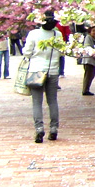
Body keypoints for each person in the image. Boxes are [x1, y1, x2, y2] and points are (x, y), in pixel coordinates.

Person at [23, 10, 62, 143]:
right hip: (52, 71)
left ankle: (39, 128)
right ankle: (54, 129)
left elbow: (27, 52)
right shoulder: (58, 34)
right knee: (52, 101)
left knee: (37, 102)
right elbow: (61, 52)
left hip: (36, 71)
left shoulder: (33, 34)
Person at [74, 23, 95, 96]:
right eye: (93, 31)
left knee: (91, 75)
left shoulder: (94, 38)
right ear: (89, 31)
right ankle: (85, 90)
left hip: (92, 60)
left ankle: (86, 89)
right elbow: (88, 47)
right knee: (88, 75)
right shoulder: (88, 37)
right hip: (88, 60)